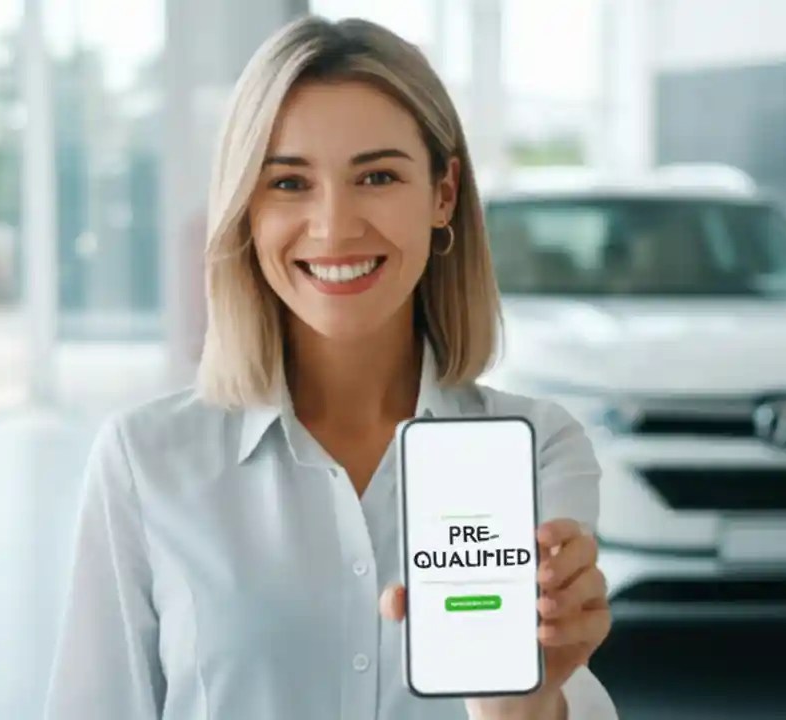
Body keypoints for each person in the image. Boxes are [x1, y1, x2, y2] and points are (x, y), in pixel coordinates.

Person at [43, 15, 616, 720]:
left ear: (443, 194)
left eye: (376, 176)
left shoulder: (537, 448)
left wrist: (523, 706)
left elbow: (547, 696)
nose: (334, 224)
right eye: (288, 183)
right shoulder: (145, 460)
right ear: (246, 209)